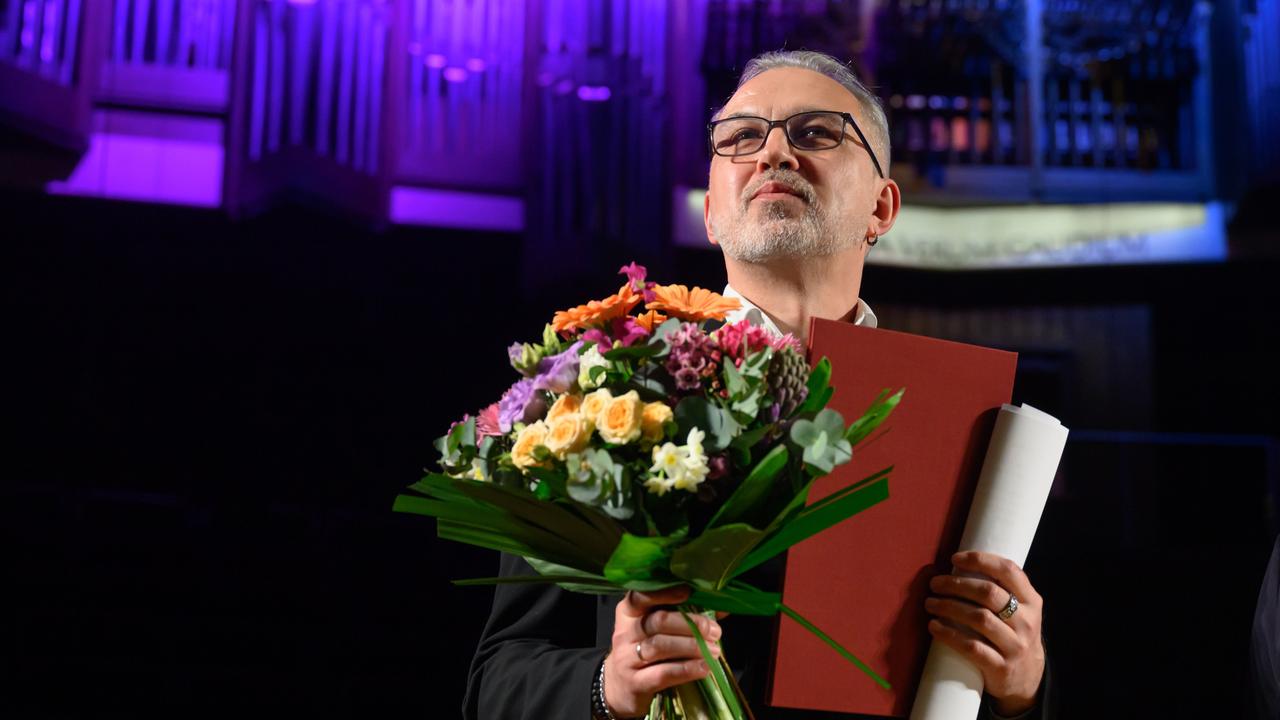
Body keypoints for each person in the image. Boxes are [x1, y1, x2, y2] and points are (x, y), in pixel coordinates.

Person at [465, 50, 1051, 720]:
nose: (773, 152)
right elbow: (498, 680)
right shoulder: (598, 393)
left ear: (881, 207)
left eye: (816, 132)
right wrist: (611, 685)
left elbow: (976, 673)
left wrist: (1021, 688)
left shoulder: (958, 418)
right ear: (712, 212)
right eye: (742, 136)